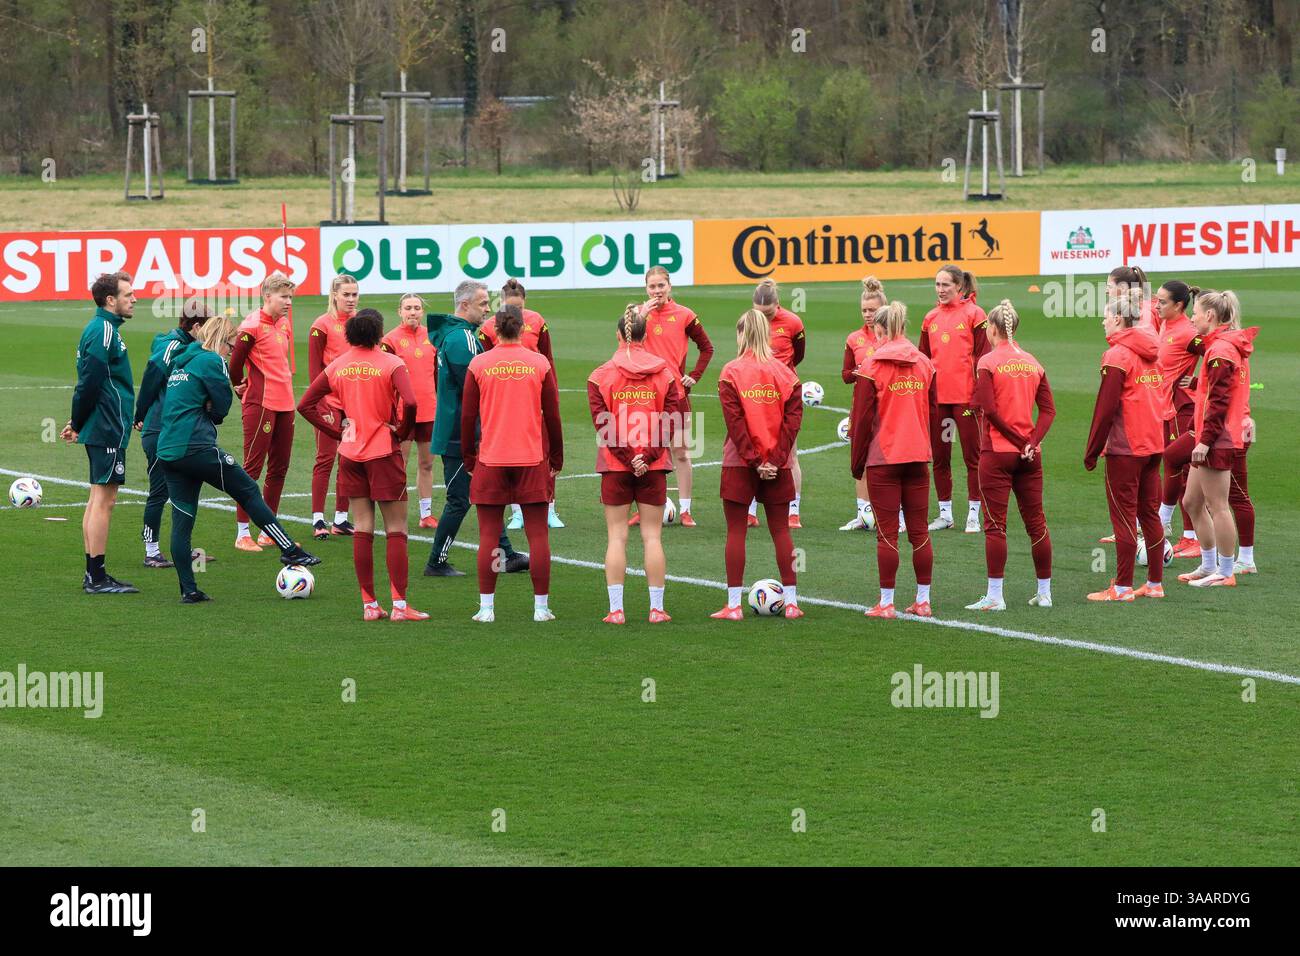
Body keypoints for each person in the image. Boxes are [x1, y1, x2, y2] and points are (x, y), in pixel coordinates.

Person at [157, 315, 319, 603]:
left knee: (182, 520)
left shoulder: (181, 361)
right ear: (223, 340)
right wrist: (210, 408)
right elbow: (222, 406)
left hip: (169, 450)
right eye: (231, 347)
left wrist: (205, 405)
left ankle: (189, 590)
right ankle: (289, 550)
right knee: (247, 490)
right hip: (196, 447)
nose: (233, 353)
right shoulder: (213, 360)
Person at [300, 308, 427, 621]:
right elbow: (410, 402)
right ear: (378, 334)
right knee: (396, 529)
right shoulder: (392, 363)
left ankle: (370, 606)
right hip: (383, 452)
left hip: (351, 454)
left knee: (362, 529)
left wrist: (337, 431)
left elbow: (304, 405)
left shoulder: (338, 366)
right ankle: (399, 606)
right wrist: (403, 430)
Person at [460, 304, 563, 622]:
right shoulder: (539, 362)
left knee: (489, 534)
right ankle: (541, 608)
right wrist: (556, 455)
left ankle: (486, 608)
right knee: (538, 535)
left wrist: (469, 457)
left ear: (493, 331)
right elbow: (553, 413)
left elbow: (467, 417)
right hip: (531, 457)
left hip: (491, 458)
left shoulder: (478, 364)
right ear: (521, 329)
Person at [423, 281, 529, 578]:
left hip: (458, 430)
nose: (488, 309)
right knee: (460, 499)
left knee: (486, 493)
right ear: (465, 305)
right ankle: (436, 561)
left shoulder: (455, 336)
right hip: (463, 435)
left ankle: (506, 555)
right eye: (483, 303)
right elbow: (482, 385)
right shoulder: (463, 340)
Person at [588, 304, 682, 624]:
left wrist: (629, 457)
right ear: (646, 335)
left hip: (615, 466)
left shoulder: (600, 375)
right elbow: (671, 421)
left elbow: (603, 425)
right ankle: (656, 609)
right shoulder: (665, 372)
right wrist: (648, 456)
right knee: (652, 537)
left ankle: (616, 610)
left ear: (618, 335)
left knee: (616, 536)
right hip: (654, 466)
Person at [712, 308, 803, 620]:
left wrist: (754, 460)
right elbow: (793, 424)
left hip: (740, 463)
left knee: (736, 532)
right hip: (778, 464)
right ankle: (791, 603)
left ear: (741, 334)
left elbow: (735, 424)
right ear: (766, 334)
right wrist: (774, 460)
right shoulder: (787, 374)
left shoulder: (730, 372)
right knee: (781, 531)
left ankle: (734, 606)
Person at [965, 300, 1055, 610]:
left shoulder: (987, 362)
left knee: (995, 525)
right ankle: (1044, 593)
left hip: (998, 453)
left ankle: (995, 596)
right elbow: (1048, 410)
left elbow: (989, 409)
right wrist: (1031, 441)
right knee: (1037, 523)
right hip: (1031, 456)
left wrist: (1018, 440)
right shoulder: (1034, 362)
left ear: (992, 329)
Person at [850, 301, 938, 619]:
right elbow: (934, 412)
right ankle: (923, 601)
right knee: (919, 532)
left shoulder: (871, 367)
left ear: (880, 330)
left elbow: (860, 422)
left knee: (887, 533)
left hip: (884, 458)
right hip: (918, 456)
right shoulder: (925, 364)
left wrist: (856, 464)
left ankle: (886, 602)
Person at [1083, 291, 1167, 601]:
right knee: (1150, 515)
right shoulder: (1152, 351)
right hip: (1153, 442)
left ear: (1118, 319)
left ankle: (1121, 587)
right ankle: (1155, 583)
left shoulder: (1117, 355)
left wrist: (1092, 451)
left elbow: (1105, 409)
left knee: (1123, 516)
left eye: (1106, 316)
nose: (1103, 322)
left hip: (1126, 446)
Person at [62, 271, 139, 594]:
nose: (134, 299)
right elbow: (90, 381)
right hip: (106, 424)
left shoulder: (104, 329)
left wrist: (78, 420)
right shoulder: (103, 330)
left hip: (103, 423)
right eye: (128, 294)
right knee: (104, 500)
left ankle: (94, 573)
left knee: (98, 497)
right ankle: (96, 576)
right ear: (111, 300)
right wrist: (77, 422)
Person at [1176, 290, 1258, 588]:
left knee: (1218, 504)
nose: (1192, 318)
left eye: (1195, 312)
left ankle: (1225, 571)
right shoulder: (1220, 347)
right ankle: (1210, 565)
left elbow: (1219, 402)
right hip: (1212, 434)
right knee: (1192, 501)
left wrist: (1205, 440)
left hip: (1218, 437)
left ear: (1209, 316)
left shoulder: (1222, 350)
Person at [132, 297, 212, 569]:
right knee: (159, 491)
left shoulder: (191, 347)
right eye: (208, 325)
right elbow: (151, 378)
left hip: (181, 433)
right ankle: (151, 550)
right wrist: (140, 415)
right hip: (159, 430)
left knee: (186, 491)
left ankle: (182, 548)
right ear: (197, 325)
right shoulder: (171, 347)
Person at [478, 279, 564, 530]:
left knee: (544, 452)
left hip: (534, 397)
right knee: (509, 455)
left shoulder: (537, 321)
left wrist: (551, 396)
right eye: (509, 307)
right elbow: (483, 363)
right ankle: (517, 512)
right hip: (504, 402)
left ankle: (549, 508)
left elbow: (547, 358)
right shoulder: (488, 327)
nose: (515, 312)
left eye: (519, 307)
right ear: (501, 303)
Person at [634, 266, 713, 527]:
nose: (656, 291)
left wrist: (694, 375)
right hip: (644, 396)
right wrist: (641, 315)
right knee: (644, 453)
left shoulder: (685, 315)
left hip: (675, 395)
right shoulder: (637, 314)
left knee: (680, 452)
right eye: (652, 286)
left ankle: (686, 510)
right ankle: (644, 508)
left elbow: (706, 347)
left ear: (670, 287)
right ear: (645, 288)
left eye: (661, 286)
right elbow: (625, 345)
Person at [229, 271, 297, 552]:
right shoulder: (251, 326)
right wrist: (238, 386)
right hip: (262, 404)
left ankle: (269, 532)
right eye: (284, 297)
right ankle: (242, 533)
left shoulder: (284, 324)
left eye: (291, 297)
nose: (289, 302)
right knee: (251, 469)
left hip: (286, 403)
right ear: (267, 296)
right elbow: (235, 364)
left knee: (279, 468)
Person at [920, 265, 989, 534]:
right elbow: (923, 359)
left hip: (966, 400)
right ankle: (945, 514)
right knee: (940, 458)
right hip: (939, 401)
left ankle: (973, 514)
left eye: (945, 285)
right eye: (937, 284)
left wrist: (979, 396)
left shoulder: (975, 314)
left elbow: (984, 358)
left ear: (959, 287)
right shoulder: (930, 318)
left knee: (973, 458)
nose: (940, 290)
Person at [750, 278, 807, 528]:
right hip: (756, 392)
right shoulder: (749, 322)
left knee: (790, 454)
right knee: (753, 452)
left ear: (778, 305)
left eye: (768, 313)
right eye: (759, 313)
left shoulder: (793, 322)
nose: (763, 317)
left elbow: (799, 353)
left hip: (783, 393)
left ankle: (793, 511)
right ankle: (750, 510)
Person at [1152, 279, 1202, 558]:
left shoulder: (1187, 332)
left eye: (1162, 301)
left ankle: (1186, 533)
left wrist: (1196, 381)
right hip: (1164, 406)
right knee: (1175, 467)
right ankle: (1186, 534)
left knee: (1181, 468)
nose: (1157, 305)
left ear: (1179, 305)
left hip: (1184, 408)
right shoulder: (1165, 323)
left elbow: (1216, 353)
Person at [380, 293, 439, 530]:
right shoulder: (390, 340)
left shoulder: (431, 336)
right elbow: (385, 379)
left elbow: (436, 373)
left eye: (416, 308)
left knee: (427, 464)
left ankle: (426, 515)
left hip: (429, 411)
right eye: (408, 308)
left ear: (422, 312)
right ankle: (396, 512)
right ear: (399, 312)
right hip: (403, 414)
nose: (412, 312)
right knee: (399, 464)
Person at [307, 274, 359, 540]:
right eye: (346, 294)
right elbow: (315, 369)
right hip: (329, 402)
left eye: (354, 294)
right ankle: (318, 520)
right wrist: (321, 401)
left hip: (354, 404)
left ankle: (341, 518)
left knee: (348, 460)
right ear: (335, 295)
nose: (351, 299)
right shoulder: (322, 325)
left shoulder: (360, 324)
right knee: (325, 458)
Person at [840, 276, 884, 531]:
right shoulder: (854, 338)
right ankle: (864, 515)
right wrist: (860, 371)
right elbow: (845, 376)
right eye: (865, 311)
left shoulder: (890, 337)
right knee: (861, 461)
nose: (868, 315)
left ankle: (895, 515)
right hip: (861, 408)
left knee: (888, 462)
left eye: (873, 310)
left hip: (888, 409)